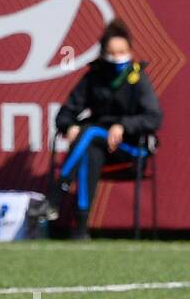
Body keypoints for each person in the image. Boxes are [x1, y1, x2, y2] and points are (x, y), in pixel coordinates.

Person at [41, 18, 162, 240]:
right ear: (103, 53)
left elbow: (153, 117)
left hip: (132, 149)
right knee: (90, 145)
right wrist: (69, 127)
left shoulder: (138, 79)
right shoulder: (94, 78)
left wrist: (123, 125)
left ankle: (56, 195)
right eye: (113, 53)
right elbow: (65, 114)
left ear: (130, 51)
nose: (118, 58)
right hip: (99, 147)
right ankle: (80, 229)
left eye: (123, 52)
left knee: (90, 133)